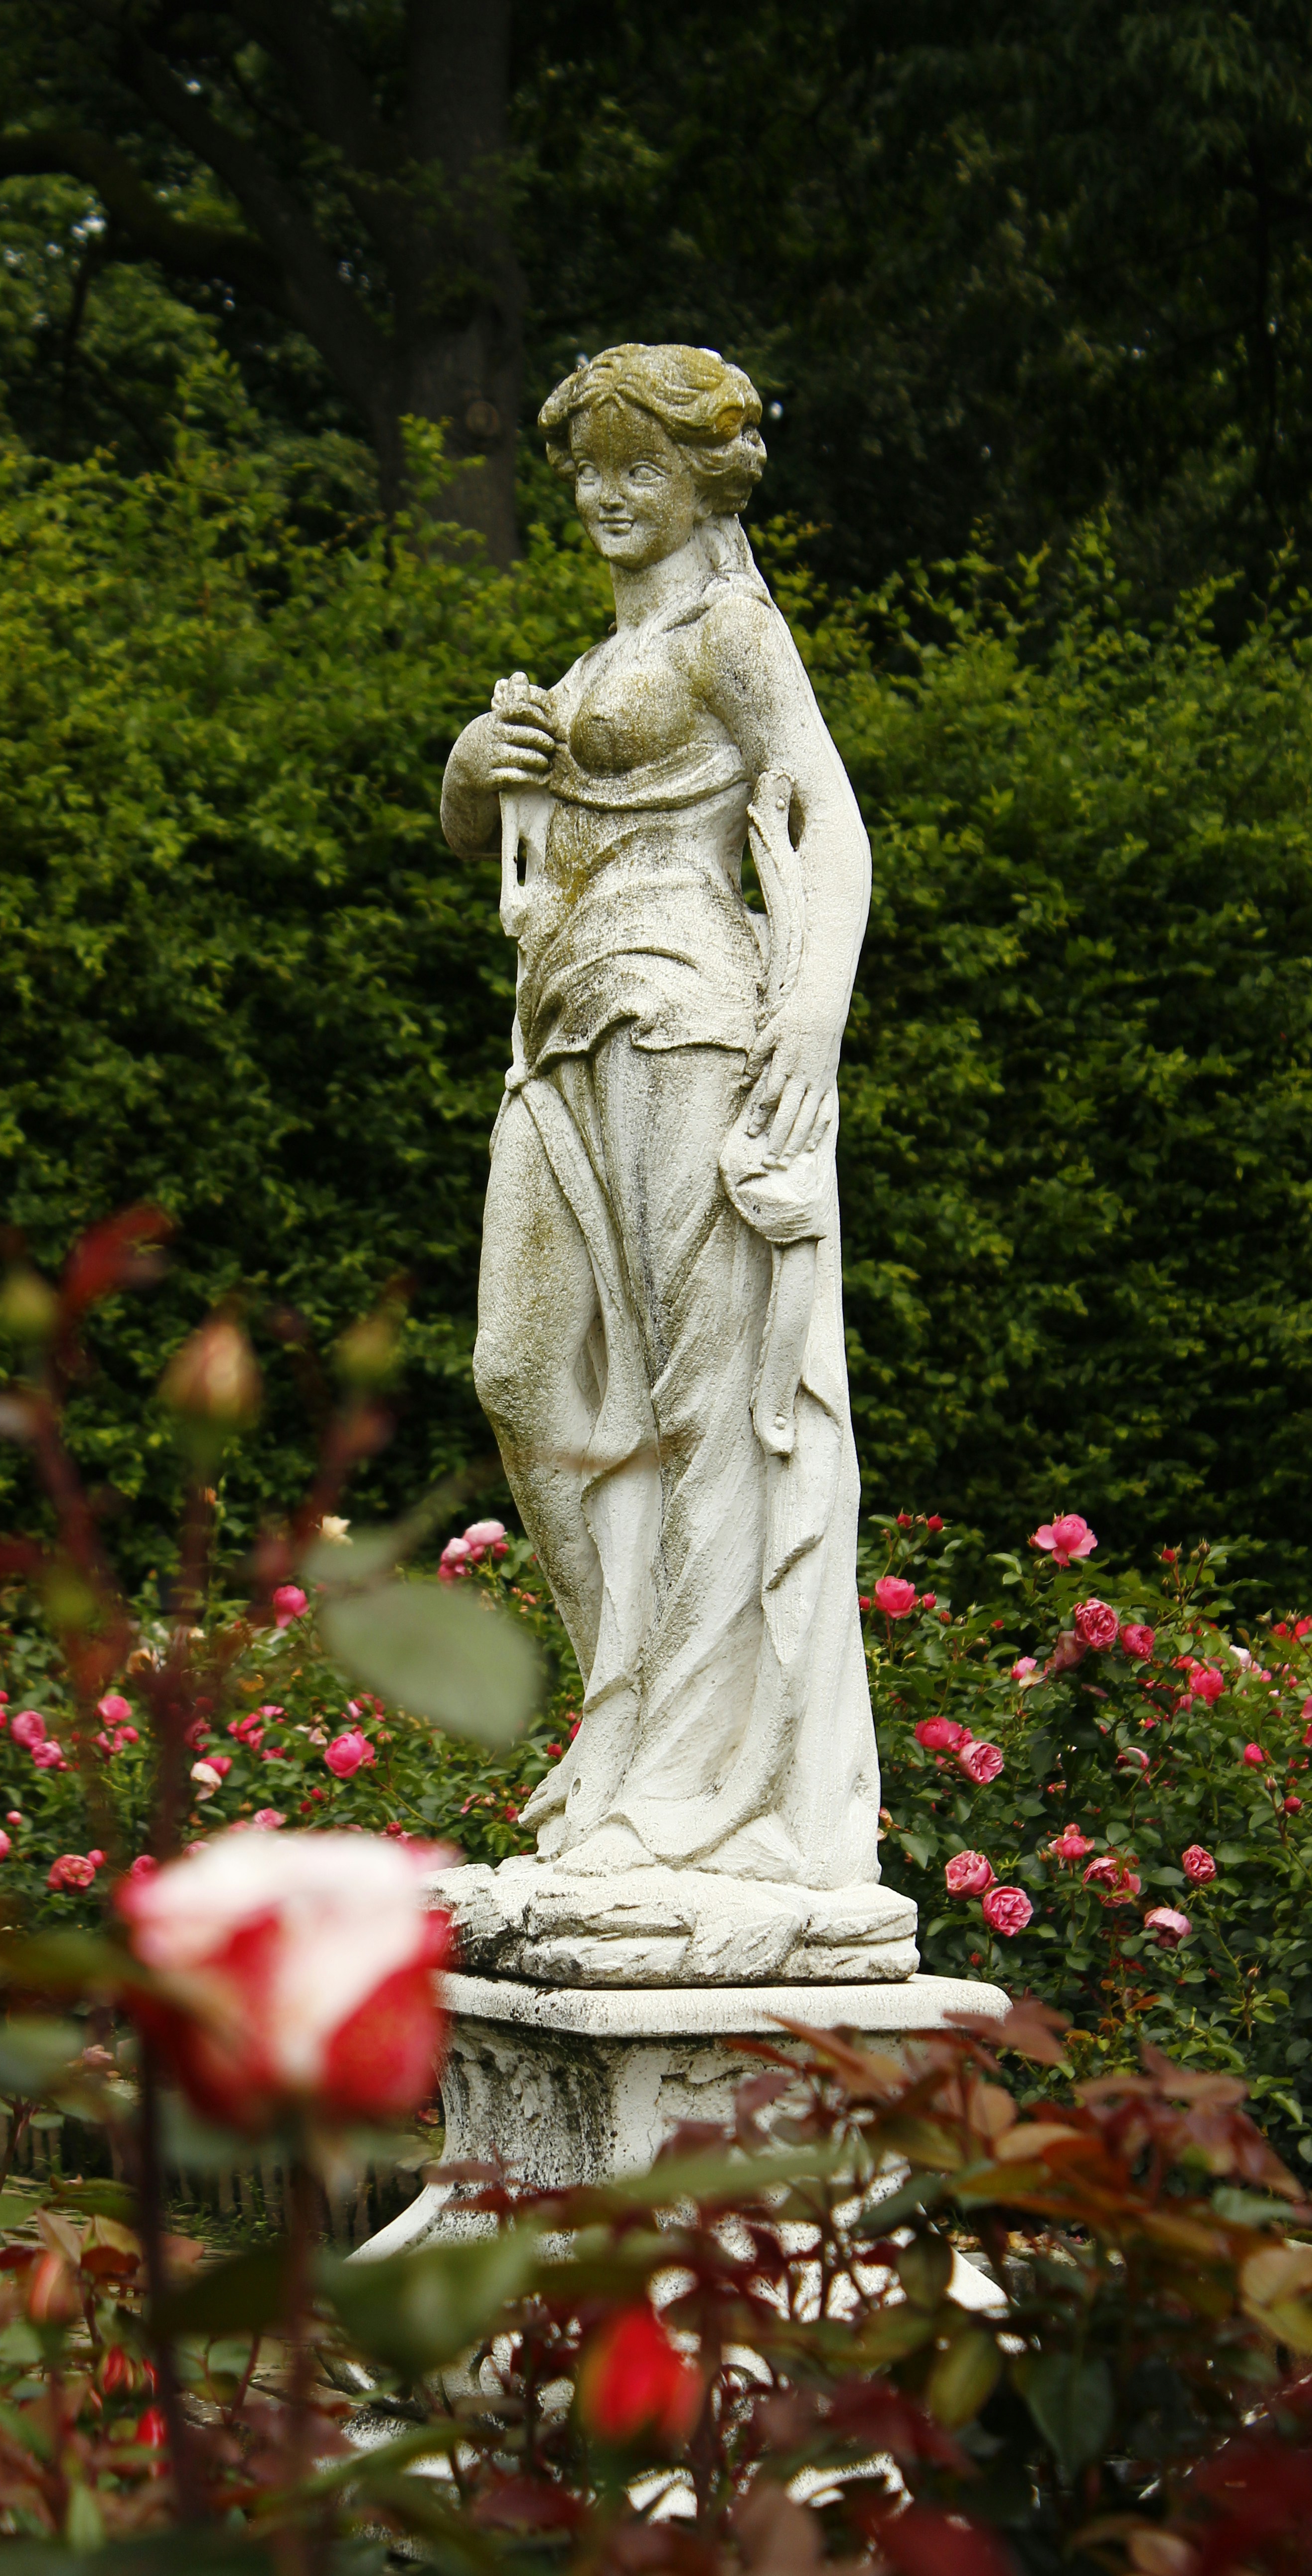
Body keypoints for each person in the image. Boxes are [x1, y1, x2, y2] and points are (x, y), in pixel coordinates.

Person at [441, 343, 886, 1910]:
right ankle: (630, 1714)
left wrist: (811, 1017)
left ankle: (688, 1782)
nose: (604, 495)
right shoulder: (595, 659)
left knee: (708, 1411)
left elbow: (823, 811)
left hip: (687, 1018)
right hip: (563, 1035)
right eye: (586, 468)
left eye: (639, 467)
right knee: (520, 1370)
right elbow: (505, 834)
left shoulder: (731, 630)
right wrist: (466, 774)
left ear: (707, 482)